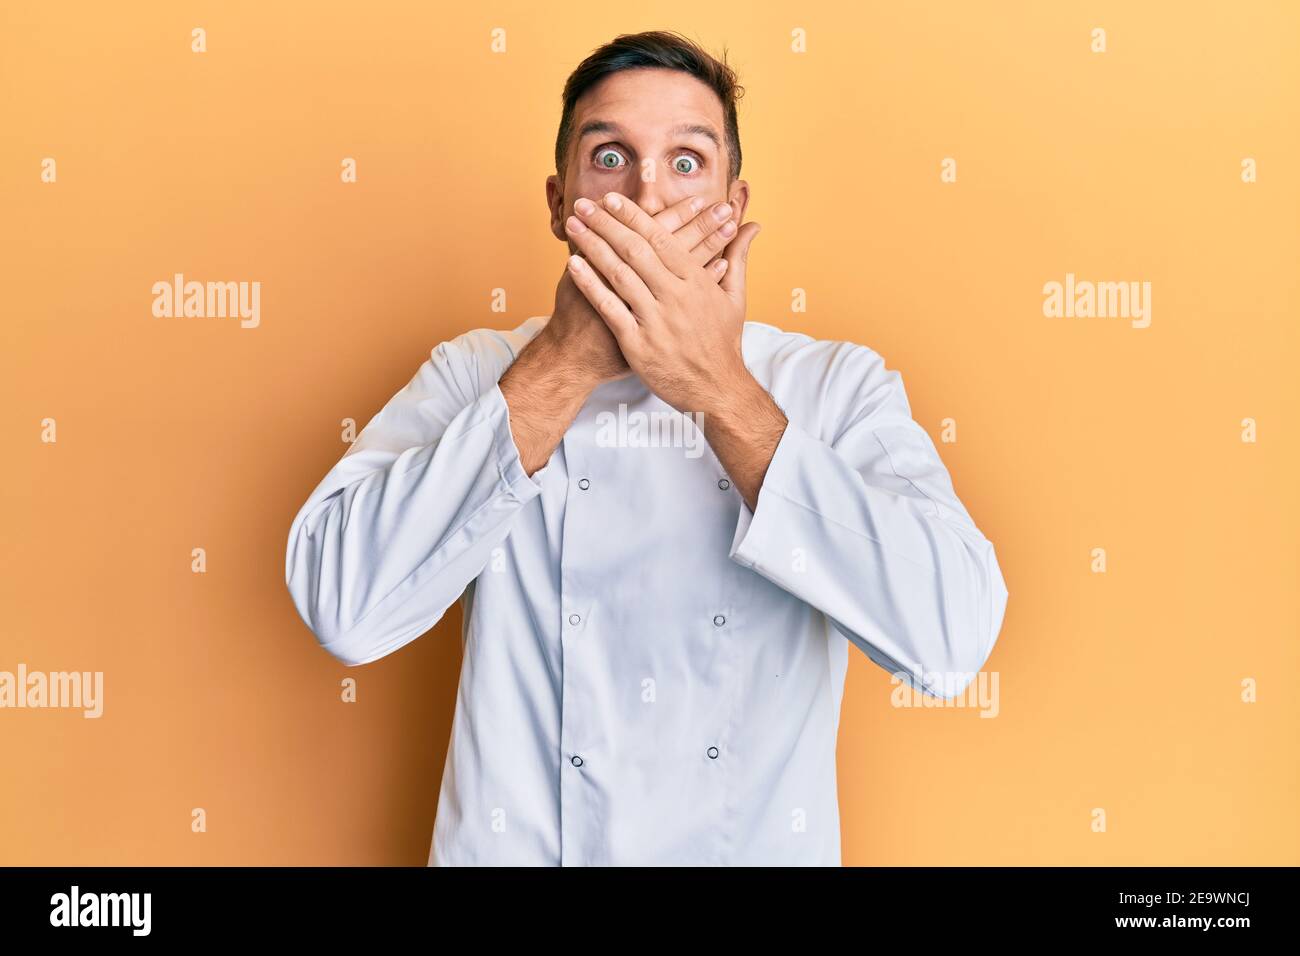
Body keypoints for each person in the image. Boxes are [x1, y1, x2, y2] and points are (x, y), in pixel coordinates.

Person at [285, 30, 1009, 866]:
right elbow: (340, 605)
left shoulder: (834, 389)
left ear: (733, 206)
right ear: (560, 204)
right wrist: (561, 364)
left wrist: (721, 391)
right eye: (610, 157)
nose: (648, 195)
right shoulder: (475, 374)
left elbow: (953, 639)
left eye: (688, 162)